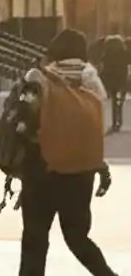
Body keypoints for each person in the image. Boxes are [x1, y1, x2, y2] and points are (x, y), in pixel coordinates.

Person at [18, 29, 118, 276]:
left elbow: (24, 119)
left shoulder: (38, 77)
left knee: (35, 240)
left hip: (43, 171)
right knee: (77, 238)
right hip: (82, 172)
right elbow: (95, 130)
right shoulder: (93, 81)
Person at [98, 35, 127, 133]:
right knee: (120, 100)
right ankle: (120, 119)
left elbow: (103, 66)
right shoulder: (124, 53)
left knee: (114, 100)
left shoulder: (106, 54)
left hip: (111, 79)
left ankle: (115, 122)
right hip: (122, 78)